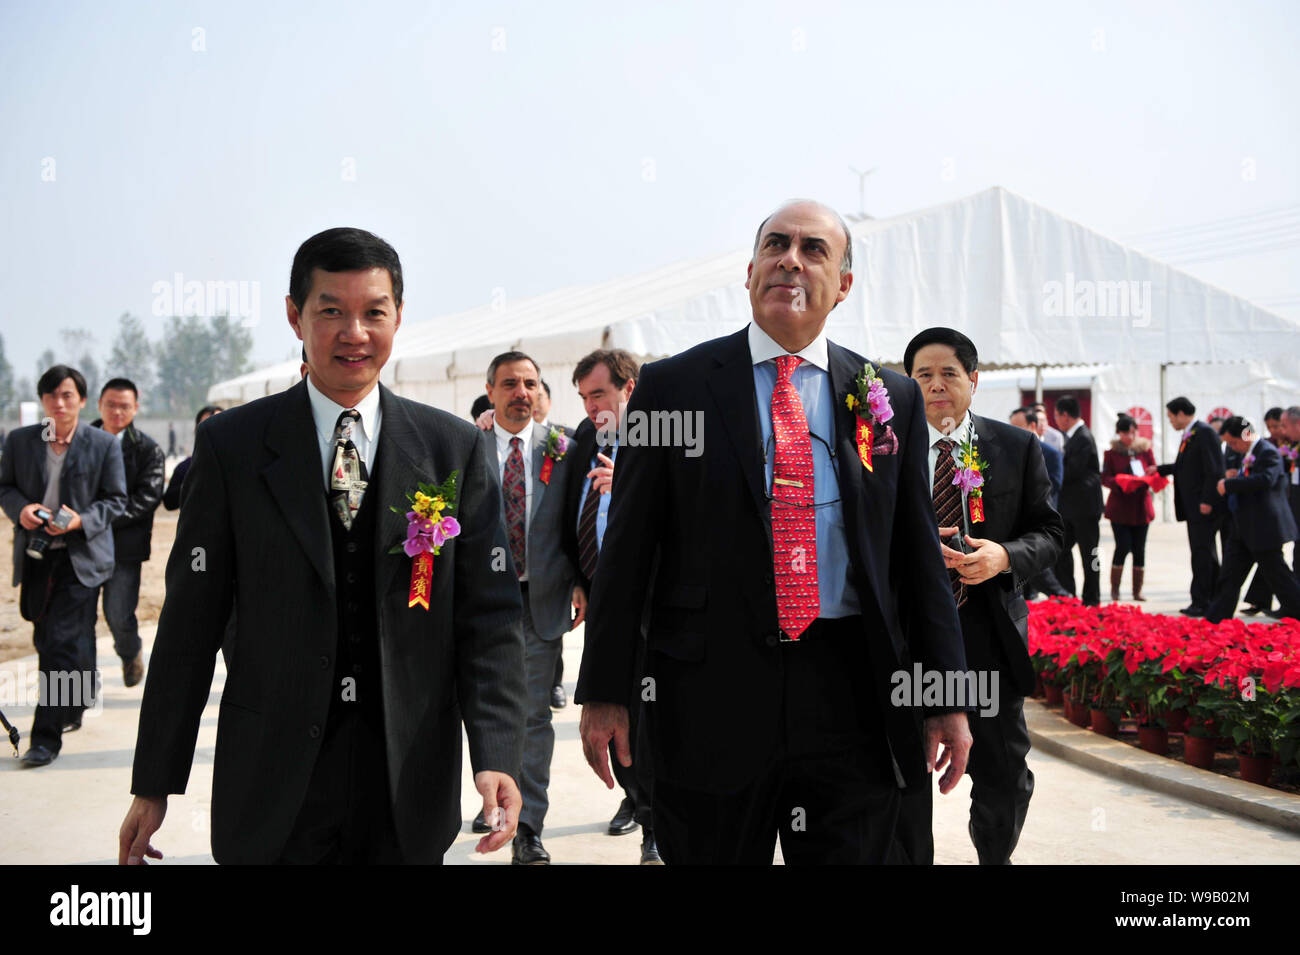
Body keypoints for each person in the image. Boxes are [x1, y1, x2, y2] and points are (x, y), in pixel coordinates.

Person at [576, 199, 971, 865]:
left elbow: (915, 559)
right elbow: (629, 551)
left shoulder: (888, 395)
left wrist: (946, 694)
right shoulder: (674, 387)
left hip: (851, 695)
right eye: (776, 244)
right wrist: (606, 688)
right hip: (710, 696)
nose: (791, 258)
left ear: (843, 285)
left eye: (814, 248)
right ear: (751, 269)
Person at [119, 227, 526, 865]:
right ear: (294, 315)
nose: (353, 332)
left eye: (373, 313)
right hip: (274, 783)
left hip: (406, 780)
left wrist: (497, 752)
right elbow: (189, 626)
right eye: (330, 310)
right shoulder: (233, 448)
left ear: (399, 317)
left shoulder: (453, 449)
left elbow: (490, 619)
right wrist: (153, 782)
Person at [897, 328, 1062, 865]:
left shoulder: (1014, 447)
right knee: (900, 772)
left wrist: (1006, 556)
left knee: (1003, 771)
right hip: (908, 639)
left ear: (974, 379)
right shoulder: (882, 448)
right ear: (907, 383)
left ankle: (995, 856)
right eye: (923, 374)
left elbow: (1051, 533)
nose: (936, 384)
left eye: (949, 373)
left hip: (986, 636)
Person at [476, 350, 582, 865]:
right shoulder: (466, 448)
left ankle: (529, 829)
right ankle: (493, 801)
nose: (521, 392)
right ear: (491, 392)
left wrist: (583, 581)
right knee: (482, 712)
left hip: (541, 601)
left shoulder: (563, 449)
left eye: (530, 383)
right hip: (479, 605)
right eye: (510, 383)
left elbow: (578, 523)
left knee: (535, 718)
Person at [561, 347, 660, 862]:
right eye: (582, 397)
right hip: (601, 604)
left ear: (631, 388)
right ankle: (635, 797)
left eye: (599, 393)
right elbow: (568, 508)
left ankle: (653, 823)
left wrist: (626, 488)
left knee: (648, 719)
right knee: (606, 710)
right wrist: (578, 579)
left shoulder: (665, 440)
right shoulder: (585, 438)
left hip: (653, 607)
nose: (590, 406)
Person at [0, 365, 126, 766]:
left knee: (59, 643)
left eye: (68, 396)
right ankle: (78, 696)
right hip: (38, 555)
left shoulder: (103, 445)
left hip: (82, 557)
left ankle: (45, 738)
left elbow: (116, 500)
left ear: (82, 401)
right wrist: (22, 510)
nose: (60, 403)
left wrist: (79, 520)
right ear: (42, 401)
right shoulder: (21, 441)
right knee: (53, 640)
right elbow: (4, 487)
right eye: (52, 396)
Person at [90, 378, 164, 693]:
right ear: (98, 405)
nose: (117, 411)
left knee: (118, 613)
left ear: (135, 408)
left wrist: (98, 520)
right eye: (111, 404)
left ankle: (129, 650)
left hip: (123, 547)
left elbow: (148, 498)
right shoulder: (81, 441)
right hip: (80, 544)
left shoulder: (147, 450)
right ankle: (80, 692)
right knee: (76, 621)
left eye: (124, 406)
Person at [1205, 417, 1300, 622]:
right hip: (1244, 527)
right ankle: (1216, 620)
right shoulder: (1249, 453)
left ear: (1245, 436)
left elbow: (1266, 480)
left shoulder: (1267, 452)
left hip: (1263, 528)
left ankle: (1297, 610)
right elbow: (1250, 478)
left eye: (1233, 442)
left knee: (1279, 577)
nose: (1232, 447)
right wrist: (1236, 475)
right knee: (1229, 576)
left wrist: (1231, 484)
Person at [1151, 397, 1225, 617]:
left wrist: (1208, 500)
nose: (1171, 422)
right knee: (1204, 552)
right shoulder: (1191, 434)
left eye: (1171, 417)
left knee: (1203, 553)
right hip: (1193, 506)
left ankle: (1202, 600)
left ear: (1181, 413)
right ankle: (1210, 597)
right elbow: (1186, 466)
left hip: (1202, 507)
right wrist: (1160, 469)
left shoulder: (1204, 432)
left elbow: (1214, 469)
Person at [1010, 407, 1069, 600]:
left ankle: (1064, 598)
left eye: (1018, 427)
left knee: (1039, 568)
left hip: (1040, 519)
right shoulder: (1010, 450)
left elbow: (1055, 485)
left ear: (1032, 425)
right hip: (1016, 519)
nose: (1013, 431)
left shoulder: (1051, 453)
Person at [1100, 414, 1157, 602]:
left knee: (1140, 548)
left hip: (1141, 506)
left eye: (1133, 433)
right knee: (1122, 546)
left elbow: (1153, 469)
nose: (1130, 437)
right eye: (1126, 433)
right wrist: (1120, 482)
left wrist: (1148, 475)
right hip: (1120, 507)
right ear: (1119, 433)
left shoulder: (1145, 450)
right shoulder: (1111, 453)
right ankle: (1115, 588)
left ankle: (1137, 590)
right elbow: (1105, 477)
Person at [1052, 395, 1103, 605]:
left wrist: (1052, 469)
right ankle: (1067, 594)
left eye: (1056, 415)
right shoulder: (1072, 436)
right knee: (1062, 551)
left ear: (1065, 415)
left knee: (1090, 554)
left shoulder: (1082, 436)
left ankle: (1092, 598)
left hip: (1085, 509)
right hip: (1070, 508)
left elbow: (1072, 470)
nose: (1056, 419)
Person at [1241, 408, 1291, 615]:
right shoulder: (1267, 445)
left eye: (1278, 426)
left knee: (1272, 557)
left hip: (1287, 503)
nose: (1275, 430)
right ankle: (1261, 600)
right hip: (1273, 505)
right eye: (1270, 426)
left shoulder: (1292, 444)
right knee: (1270, 555)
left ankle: (1283, 600)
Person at [161, 405, 221, 510]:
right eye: (206, 426)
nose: (213, 431)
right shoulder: (185, 467)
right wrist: (192, 483)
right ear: (196, 430)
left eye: (219, 425)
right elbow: (169, 503)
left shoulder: (238, 464)